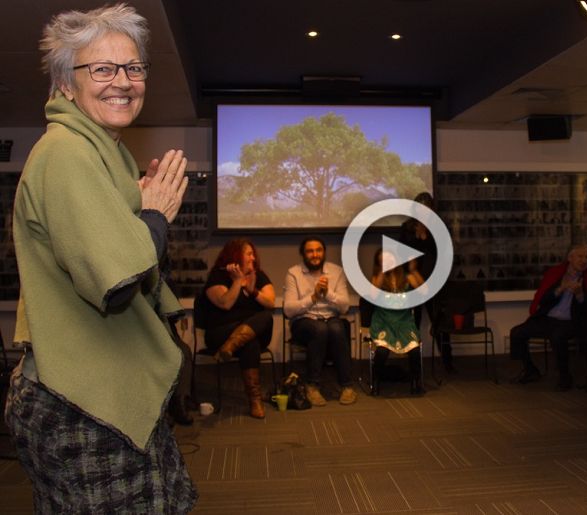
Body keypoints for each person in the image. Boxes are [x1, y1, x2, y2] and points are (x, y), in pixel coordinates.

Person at [3, 4, 197, 512]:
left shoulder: (103, 153)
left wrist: (137, 209)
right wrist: (153, 216)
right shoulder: (66, 152)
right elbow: (117, 278)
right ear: (67, 84)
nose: (123, 82)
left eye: (133, 68)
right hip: (82, 404)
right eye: (103, 69)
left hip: (100, 391)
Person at [509, 243, 587, 391]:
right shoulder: (555, 273)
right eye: (580, 256)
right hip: (548, 318)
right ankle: (530, 370)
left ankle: (565, 377)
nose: (584, 260)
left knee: (557, 336)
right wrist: (560, 289)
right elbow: (543, 300)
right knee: (517, 333)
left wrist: (580, 295)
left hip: (571, 321)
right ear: (570, 258)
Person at [204, 238, 275, 418]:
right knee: (250, 344)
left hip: (247, 334)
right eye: (248, 254)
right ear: (235, 256)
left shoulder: (259, 276)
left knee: (266, 316)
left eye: (253, 254)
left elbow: (271, 302)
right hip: (220, 334)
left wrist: (253, 291)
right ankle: (255, 401)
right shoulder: (217, 276)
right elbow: (226, 304)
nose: (253, 258)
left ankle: (230, 347)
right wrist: (237, 282)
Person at [284, 236, 357, 406]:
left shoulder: (336, 271)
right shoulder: (293, 273)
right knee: (320, 329)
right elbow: (288, 310)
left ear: (324, 253)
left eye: (318, 250)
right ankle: (312, 385)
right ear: (303, 254)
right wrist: (314, 297)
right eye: (310, 251)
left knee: (338, 328)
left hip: (330, 318)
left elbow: (345, 307)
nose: (315, 254)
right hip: (303, 321)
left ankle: (347, 386)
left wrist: (327, 293)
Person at [399, 191, 455, 371]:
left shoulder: (439, 228)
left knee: (440, 323)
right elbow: (402, 256)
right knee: (412, 324)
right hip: (413, 282)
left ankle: (448, 362)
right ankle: (413, 363)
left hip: (434, 282)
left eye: (427, 208)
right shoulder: (406, 228)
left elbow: (445, 255)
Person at [365, 249, 425, 395]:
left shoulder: (407, 277)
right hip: (384, 321)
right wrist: (381, 271)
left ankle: (415, 382)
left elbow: (424, 292)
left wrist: (414, 271)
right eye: (383, 260)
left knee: (415, 350)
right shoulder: (377, 278)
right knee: (382, 352)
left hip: (404, 321)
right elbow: (372, 295)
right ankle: (376, 381)